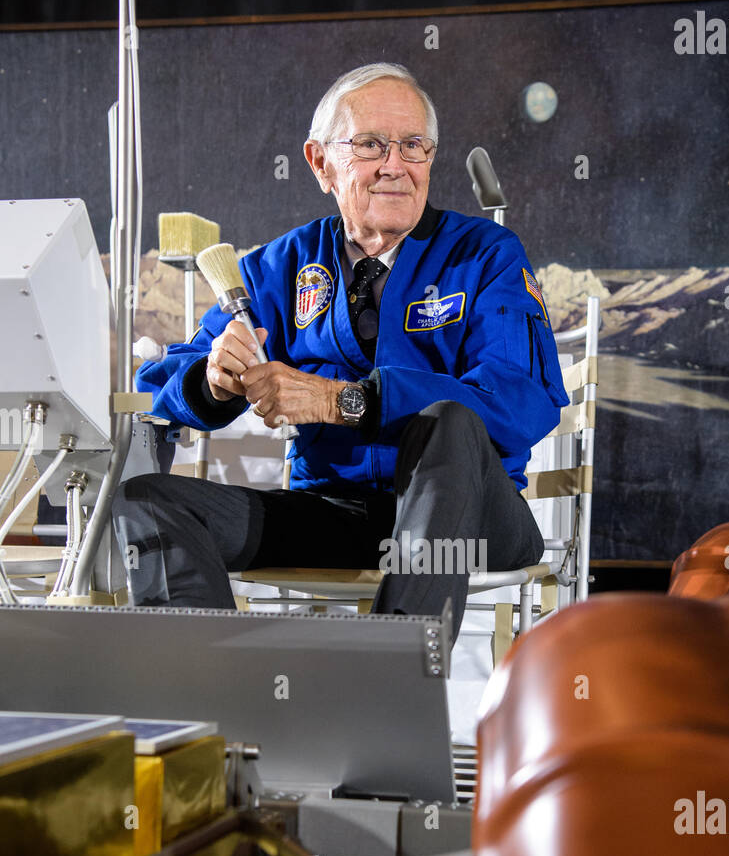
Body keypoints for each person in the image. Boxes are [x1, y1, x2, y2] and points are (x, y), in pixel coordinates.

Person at [113, 62, 567, 635]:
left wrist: (347, 402)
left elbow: (523, 401)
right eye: (371, 144)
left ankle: (389, 689)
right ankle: (217, 696)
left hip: (473, 521)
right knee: (148, 500)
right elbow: (163, 382)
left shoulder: (485, 254)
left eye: (413, 146)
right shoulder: (280, 266)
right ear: (320, 162)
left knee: (450, 421)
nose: (395, 165)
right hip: (338, 513)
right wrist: (212, 379)